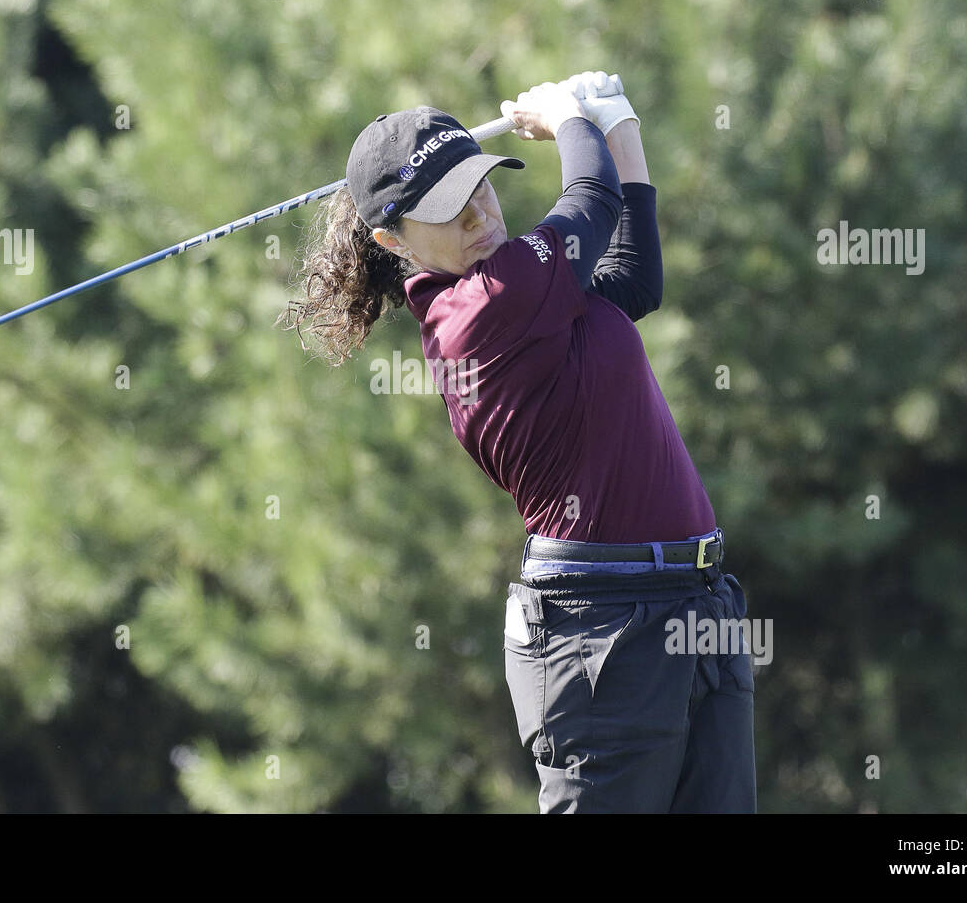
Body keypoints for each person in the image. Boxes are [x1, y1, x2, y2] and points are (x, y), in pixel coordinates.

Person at [283, 74, 756, 813]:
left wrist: (619, 125)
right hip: (601, 631)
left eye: (481, 187)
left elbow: (635, 280)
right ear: (391, 239)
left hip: (694, 605)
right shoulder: (479, 311)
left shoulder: (532, 296)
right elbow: (591, 201)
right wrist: (570, 118)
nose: (480, 216)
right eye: (448, 209)